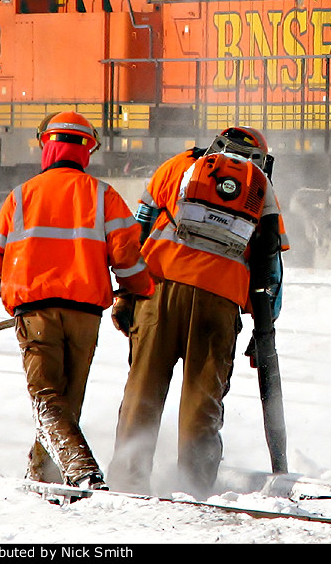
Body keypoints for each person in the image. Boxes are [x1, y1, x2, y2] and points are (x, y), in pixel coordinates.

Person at [108, 126, 289, 496]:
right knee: (201, 405)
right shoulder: (260, 190)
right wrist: (263, 330)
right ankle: (195, 488)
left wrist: (127, 295)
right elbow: (270, 271)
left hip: (157, 293)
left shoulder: (176, 166)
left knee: (142, 392)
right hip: (217, 306)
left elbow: (138, 231)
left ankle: (127, 481)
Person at [0, 111, 153, 491]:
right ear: (86, 151)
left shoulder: (21, 196)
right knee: (66, 402)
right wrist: (141, 290)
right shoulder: (103, 195)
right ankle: (43, 477)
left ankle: (81, 471)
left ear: (46, 146)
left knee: (47, 399)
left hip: (37, 312)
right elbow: (127, 255)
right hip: (85, 315)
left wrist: (11, 297)